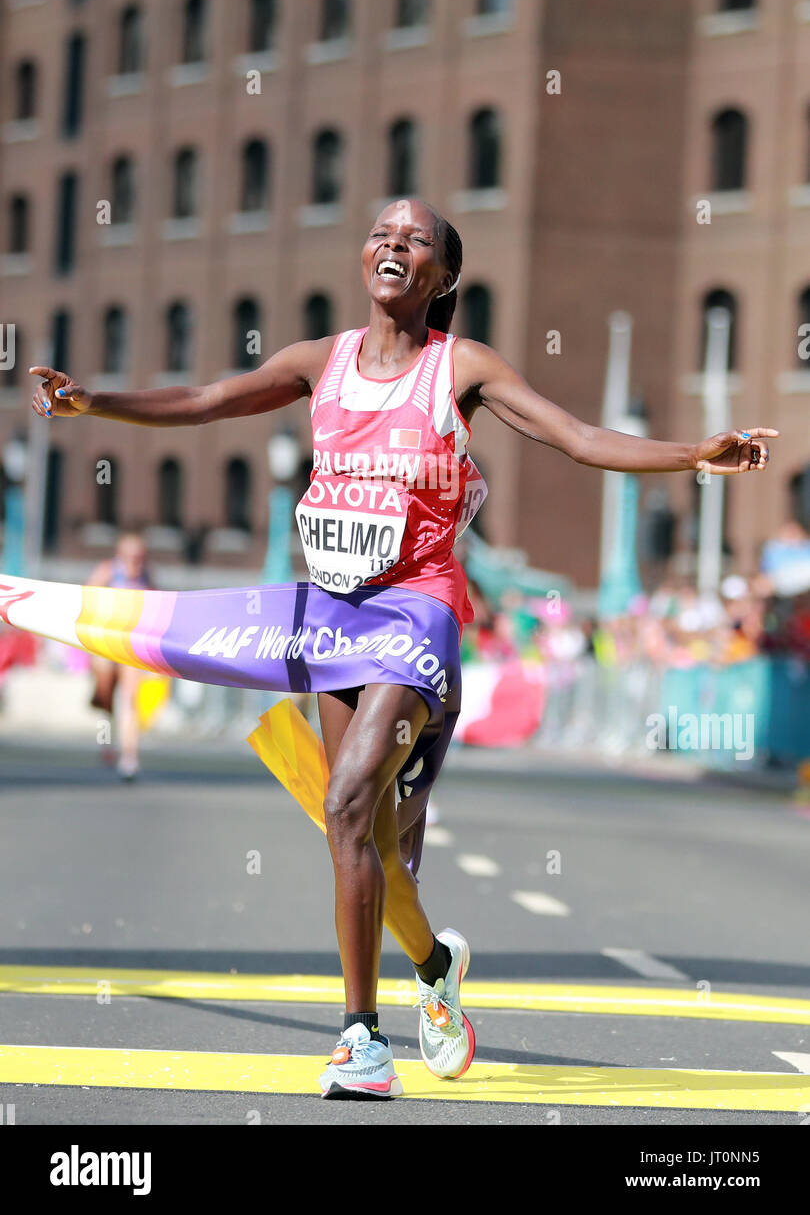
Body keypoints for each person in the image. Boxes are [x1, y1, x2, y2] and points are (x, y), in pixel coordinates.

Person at [24, 198, 776, 1099]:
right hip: (327, 616)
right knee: (366, 839)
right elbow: (205, 400)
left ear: (442, 276)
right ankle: (433, 971)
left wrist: (697, 452)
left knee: (345, 802)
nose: (392, 244)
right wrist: (89, 401)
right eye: (382, 233)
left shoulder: (461, 370)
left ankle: (360, 1041)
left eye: (415, 240)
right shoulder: (320, 363)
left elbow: (576, 437)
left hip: (415, 615)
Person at [87, 532, 153, 781]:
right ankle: (106, 743)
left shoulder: (146, 576)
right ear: (119, 555)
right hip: (105, 642)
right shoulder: (107, 572)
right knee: (106, 696)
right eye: (129, 556)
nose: (134, 562)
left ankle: (129, 757)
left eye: (139, 557)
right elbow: (86, 601)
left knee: (130, 699)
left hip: (131, 647)